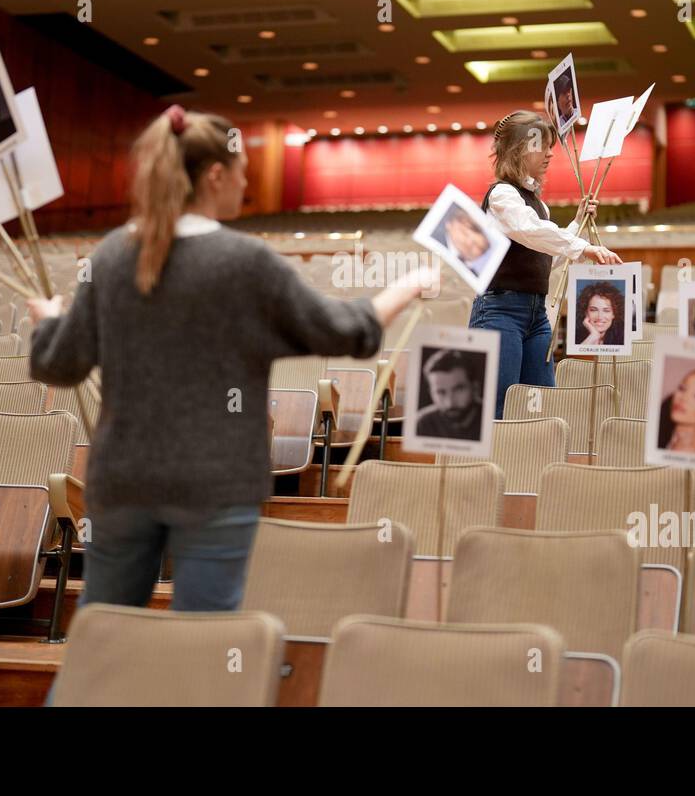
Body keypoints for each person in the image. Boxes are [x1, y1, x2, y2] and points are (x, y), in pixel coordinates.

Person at [27, 105, 429, 622]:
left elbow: (58, 364)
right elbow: (344, 330)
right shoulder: (246, 263)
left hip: (124, 479)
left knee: (99, 641)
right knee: (206, 644)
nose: (247, 182)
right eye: (241, 170)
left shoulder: (110, 256)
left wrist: (48, 321)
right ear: (215, 175)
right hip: (214, 485)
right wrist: (408, 286)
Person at [469, 110, 620, 418]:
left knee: (540, 408)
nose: (551, 153)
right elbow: (529, 231)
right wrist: (583, 247)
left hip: (536, 317)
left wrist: (577, 223)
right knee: (500, 409)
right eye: (541, 145)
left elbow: (544, 253)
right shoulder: (502, 196)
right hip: (499, 312)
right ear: (518, 150)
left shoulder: (538, 204)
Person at [416, 349, 483, 441]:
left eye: (459, 389)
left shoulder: (490, 420)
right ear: (430, 392)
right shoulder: (421, 423)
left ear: (475, 388)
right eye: (440, 392)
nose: (450, 403)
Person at [433, 205, 493, 276]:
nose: (469, 242)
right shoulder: (435, 235)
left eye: (481, 249)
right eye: (465, 233)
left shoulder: (471, 274)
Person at [576, 281, 625, 346]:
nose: (600, 317)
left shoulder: (622, 336)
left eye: (606, 311)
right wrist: (593, 336)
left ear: (614, 314)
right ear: (586, 312)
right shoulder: (575, 335)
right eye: (593, 310)